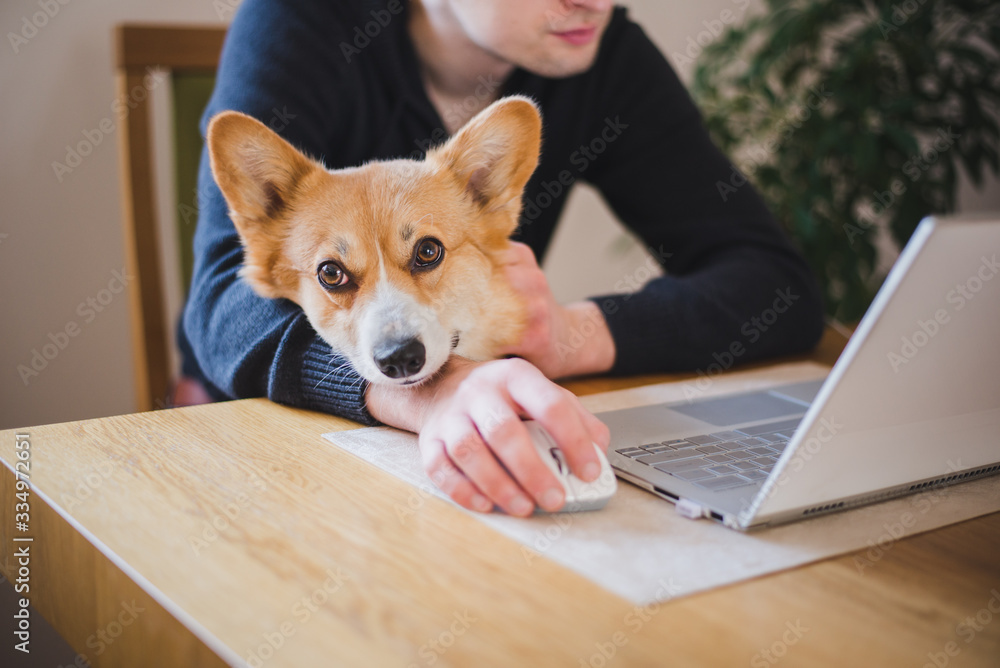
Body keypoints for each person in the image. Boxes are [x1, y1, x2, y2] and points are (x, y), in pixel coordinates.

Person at [180, 0, 825, 518]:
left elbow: (778, 286)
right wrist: (428, 392)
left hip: (479, 426)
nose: (593, 2)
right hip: (262, 430)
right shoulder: (300, 17)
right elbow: (216, 309)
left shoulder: (604, 55)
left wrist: (572, 335)